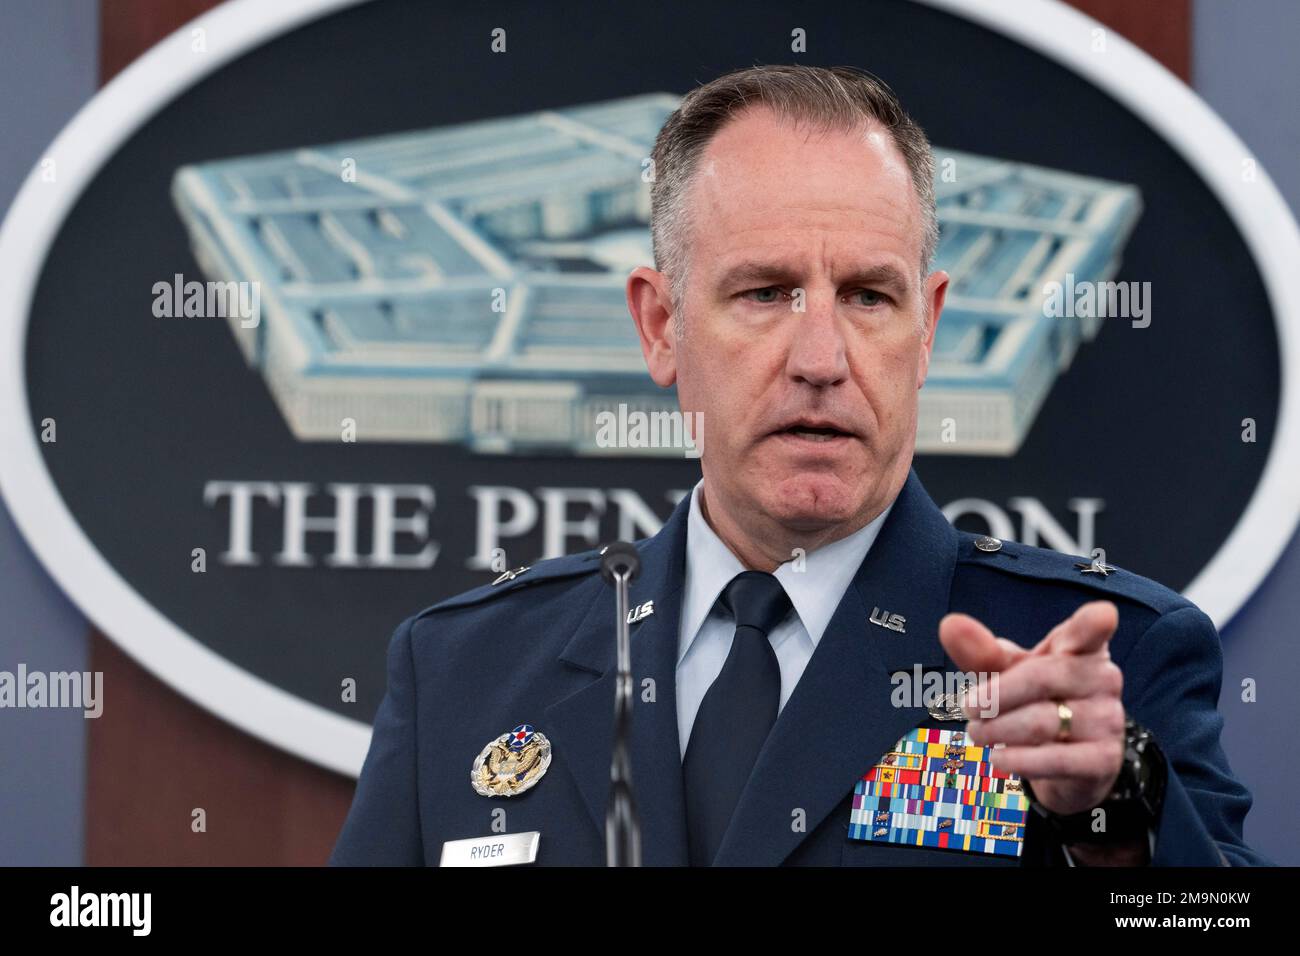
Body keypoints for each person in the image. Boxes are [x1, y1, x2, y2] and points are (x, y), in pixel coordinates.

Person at [330, 64, 1263, 867]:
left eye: (867, 295)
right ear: (662, 325)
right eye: (766, 292)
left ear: (927, 326)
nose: (822, 357)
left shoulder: (1100, 665)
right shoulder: (466, 670)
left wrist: (1113, 816)